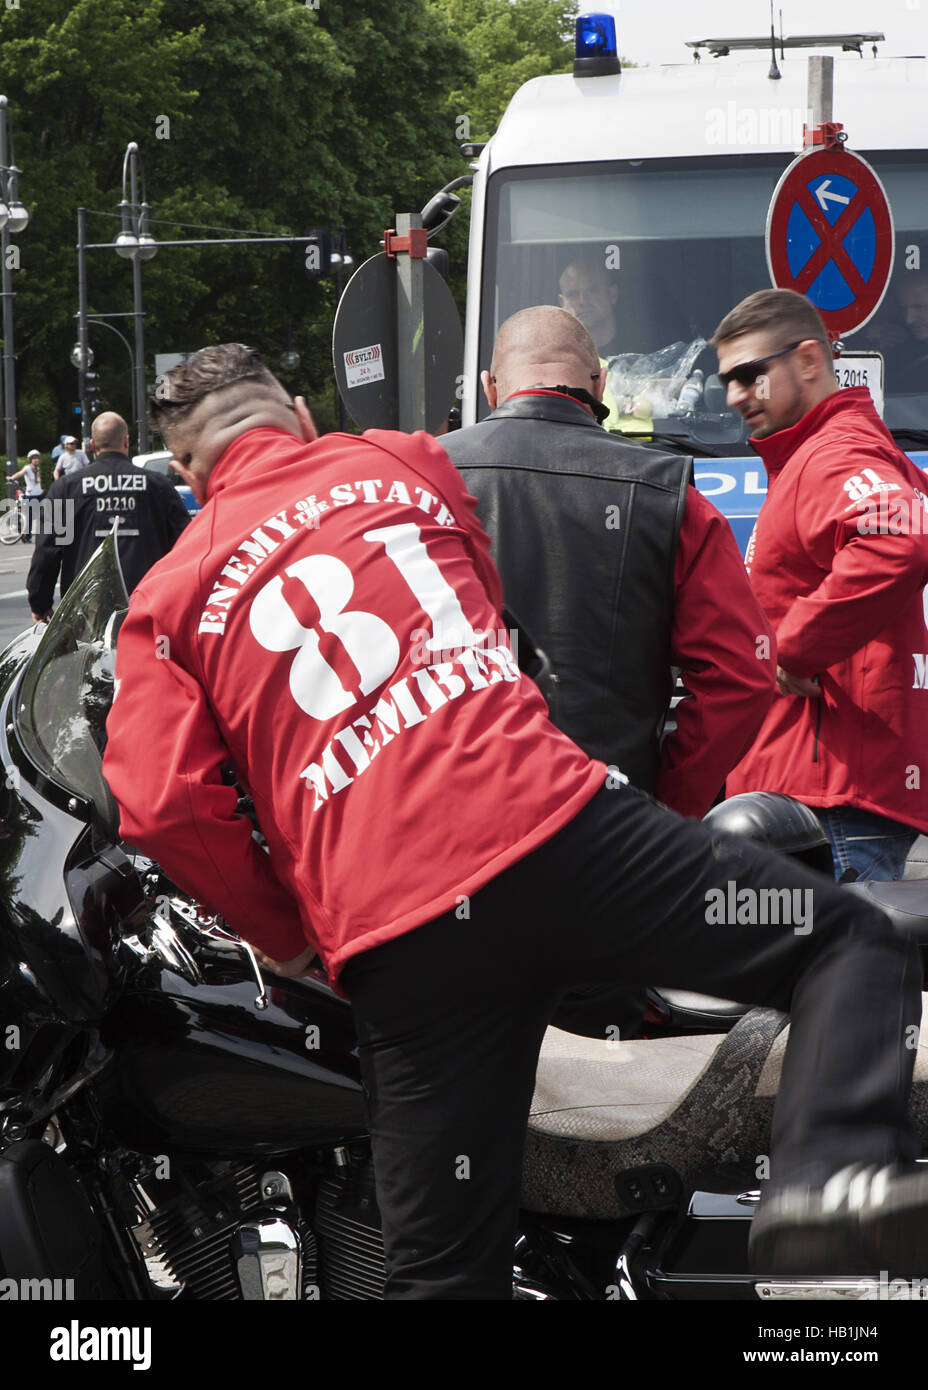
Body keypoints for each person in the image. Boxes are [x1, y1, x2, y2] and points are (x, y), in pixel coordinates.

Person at [101, 344, 926, 1298]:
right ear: (295, 409)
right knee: (847, 944)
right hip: (562, 838)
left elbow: (162, 806)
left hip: (400, 940)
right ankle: (825, 1197)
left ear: (189, 470)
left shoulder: (169, 592)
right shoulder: (400, 459)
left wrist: (290, 937)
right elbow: (485, 618)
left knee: (444, 1271)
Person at [442, 305, 777, 1035]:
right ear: (598, 382)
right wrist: (666, 804)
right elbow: (742, 677)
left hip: (444, 857)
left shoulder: (421, 480)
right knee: (603, 1094)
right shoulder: (665, 491)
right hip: (603, 858)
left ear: (493, 385)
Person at [715, 287, 928, 881]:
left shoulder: (835, 451)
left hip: (828, 793)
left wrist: (794, 648)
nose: (735, 396)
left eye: (750, 374)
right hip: (821, 785)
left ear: (809, 361)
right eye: (727, 380)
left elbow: (897, 542)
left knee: (832, 972)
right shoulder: (822, 452)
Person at [27, 411, 189, 623]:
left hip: (86, 613)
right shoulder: (158, 485)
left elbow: (46, 552)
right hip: (149, 609)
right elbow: (186, 545)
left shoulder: (65, 489)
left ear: (93, 446)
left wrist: (40, 604)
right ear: (126, 441)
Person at [8, 448, 44, 543]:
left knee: (43, 514)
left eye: (37, 458)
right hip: (31, 495)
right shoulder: (27, 468)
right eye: (34, 458)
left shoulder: (37, 469)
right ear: (30, 459)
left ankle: (43, 535)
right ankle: (27, 537)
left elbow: (38, 481)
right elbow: (20, 473)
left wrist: (41, 488)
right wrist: (11, 478)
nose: (36, 460)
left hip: (39, 494)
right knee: (30, 516)